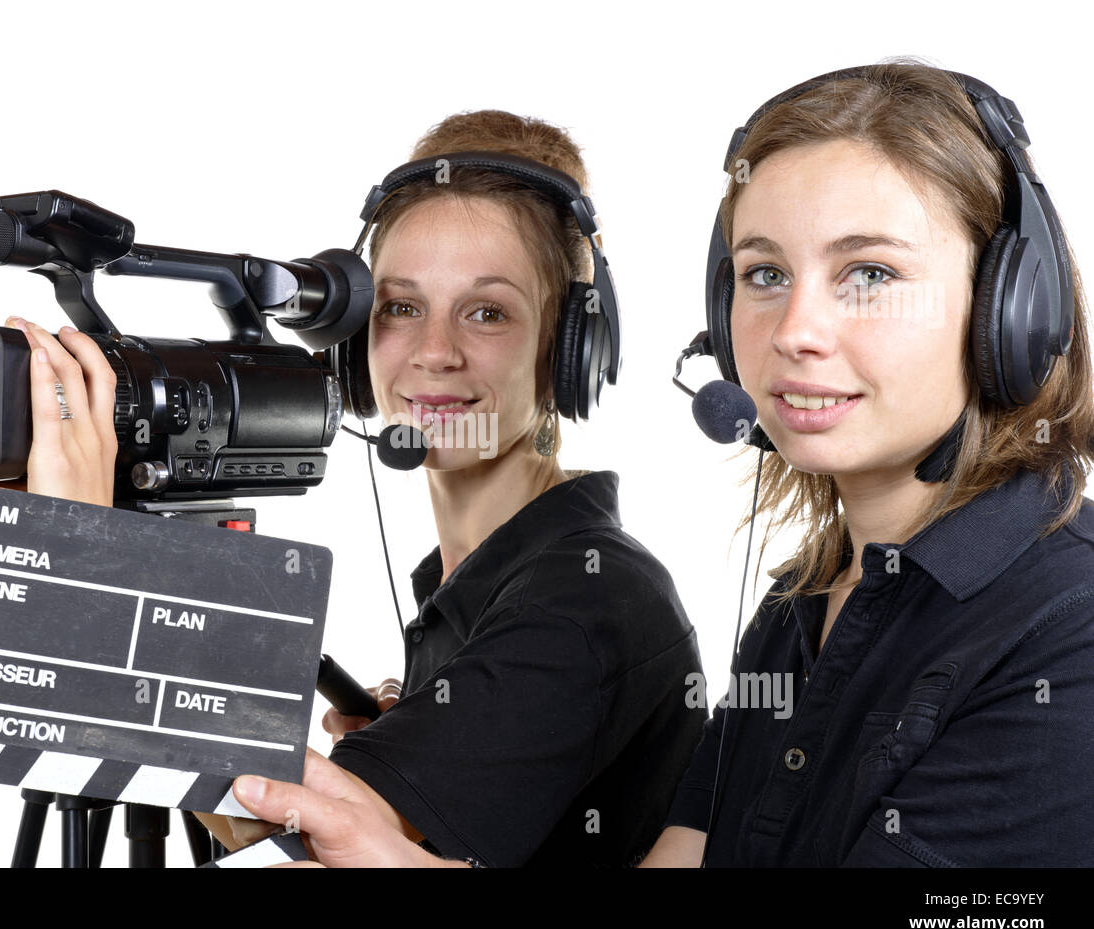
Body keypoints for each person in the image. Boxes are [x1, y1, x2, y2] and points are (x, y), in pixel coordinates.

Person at [231, 62, 1094, 867]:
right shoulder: (798, 605)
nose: (794, 329)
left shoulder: (1068, 629)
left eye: (868, 272)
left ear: (1009, 311)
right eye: (763, 274)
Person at [11, 110, 706, 867]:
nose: (434, 353)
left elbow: (312, 841)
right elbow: (265, 820)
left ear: (570, 349)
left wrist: (77, 548)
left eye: (487, 311)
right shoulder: (484, 583)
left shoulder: (586, 597)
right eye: (402, 307)